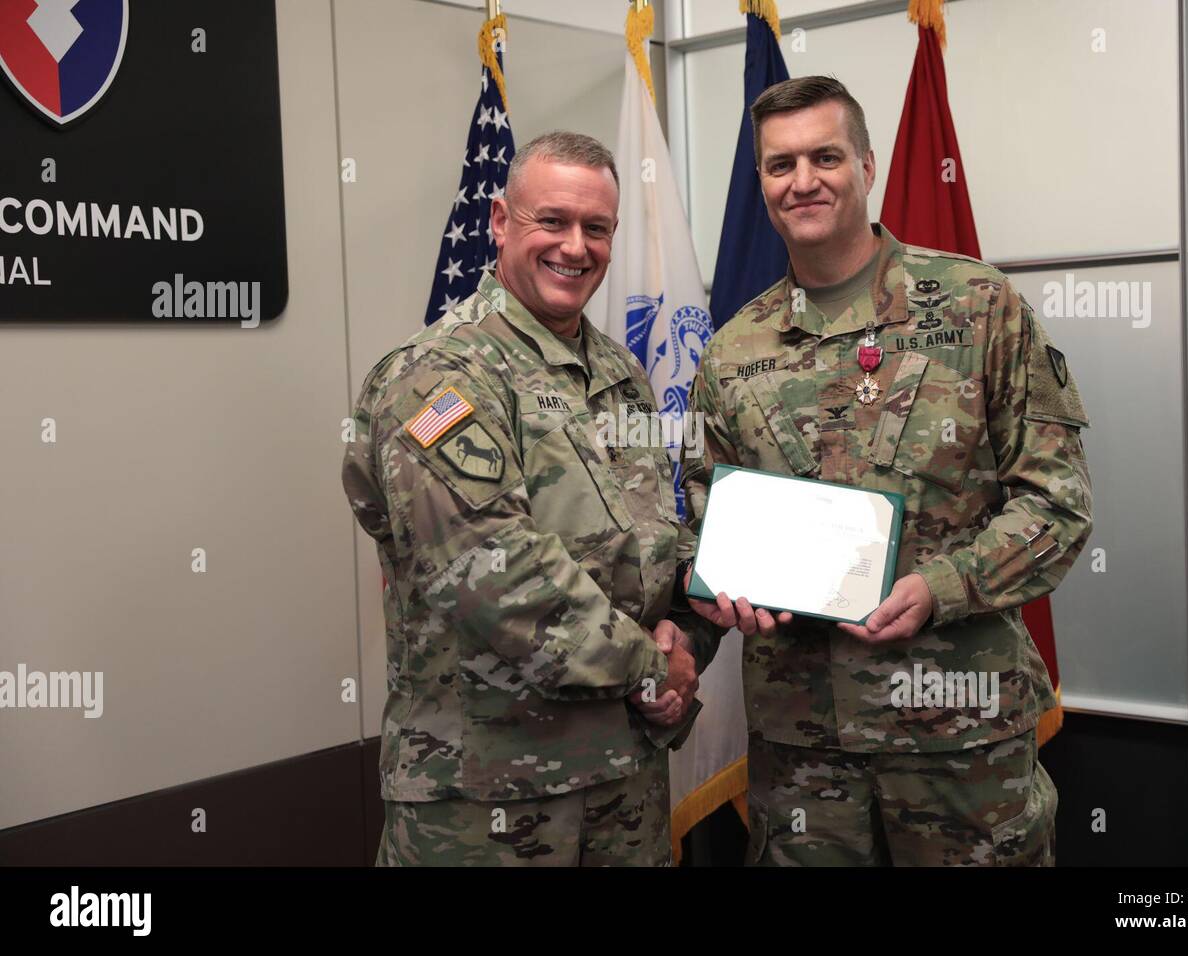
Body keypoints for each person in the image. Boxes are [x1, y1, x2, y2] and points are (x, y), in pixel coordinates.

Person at [683, 76, 1093, 866]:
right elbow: (707, 512)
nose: (803, 180)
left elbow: (1058, 507)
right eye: (780, 164)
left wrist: (941, 588)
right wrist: (724, 585)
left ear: (866, 164)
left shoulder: (978, 307)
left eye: (825, 156)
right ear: (762, 183)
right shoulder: (733, 349)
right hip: (804, 758)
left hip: (958, 742)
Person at [343, 131, 720, 866]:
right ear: (499, 222)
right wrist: (652, 667)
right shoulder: (440, 379)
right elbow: (498, 579)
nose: (575, 247)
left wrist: (687, 633)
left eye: (597, 228)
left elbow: (655, 543)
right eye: (552, 220)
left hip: (626, 787)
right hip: (487, 807)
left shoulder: (619, 374)